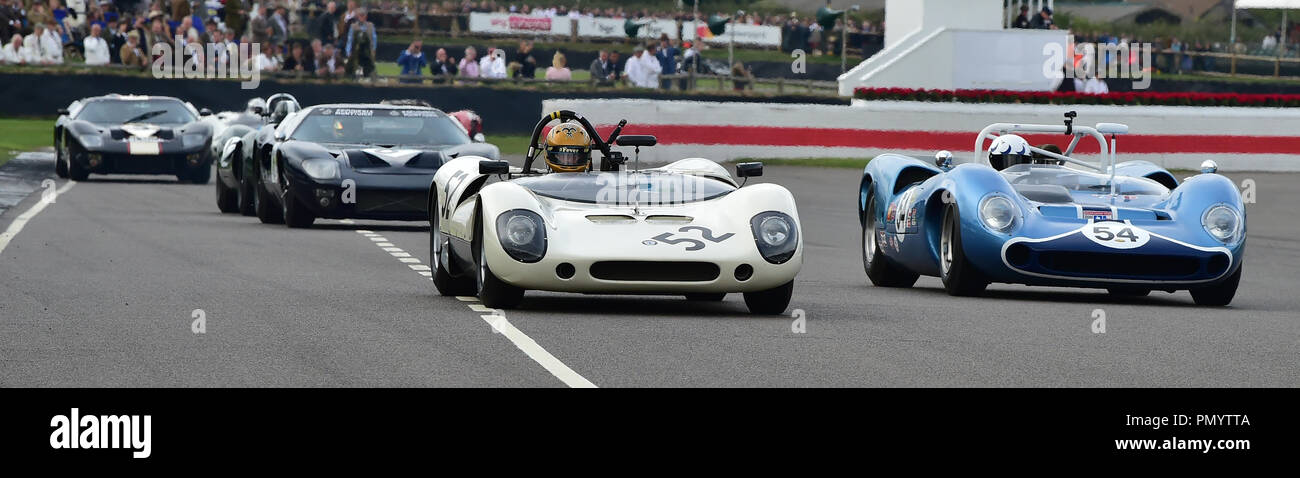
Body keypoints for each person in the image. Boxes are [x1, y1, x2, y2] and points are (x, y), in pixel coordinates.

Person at [344, 8, 376, 77]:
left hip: (368, 51)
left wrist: (373, 49)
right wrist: (348, 51)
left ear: (366, 16)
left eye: (363, 15)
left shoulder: (371, 26)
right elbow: (350, 40)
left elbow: (374, 39)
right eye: (360, 15)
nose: (362, 17)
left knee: (369, 68)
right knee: (354, 67)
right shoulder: (353, 26)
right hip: (356, 50)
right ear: (358, 16)